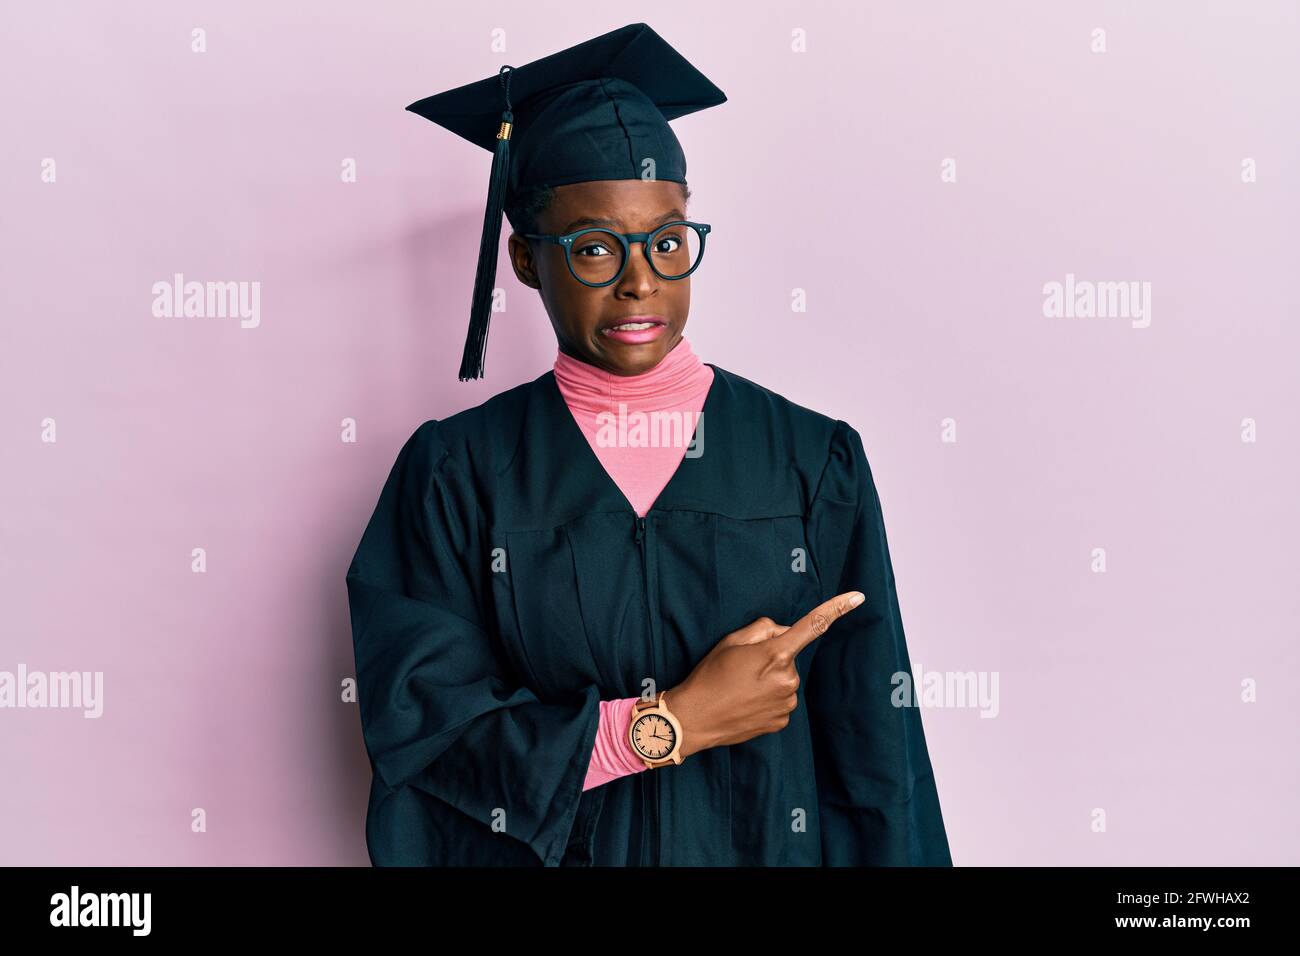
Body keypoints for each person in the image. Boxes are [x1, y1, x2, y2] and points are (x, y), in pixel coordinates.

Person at [346, 22, 953, 866]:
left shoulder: (814, 462)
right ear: (524, 259)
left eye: (666, 242)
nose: (639, 279)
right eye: (593, 247)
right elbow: (425, 739)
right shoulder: (457, 474)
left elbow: (878, 767)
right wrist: (668, 726)